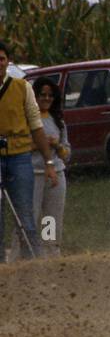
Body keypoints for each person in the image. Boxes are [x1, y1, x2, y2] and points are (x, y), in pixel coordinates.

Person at [0, 41, 59, 261]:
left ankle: (31, 261)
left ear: (8, 61)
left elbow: (36, 125)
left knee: (26, 214)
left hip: (19, 157)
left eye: (2, 58)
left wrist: (49, 161)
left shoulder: (21, 87)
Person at [30, 76, 70, 256]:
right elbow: (21, 146)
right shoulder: (28, 119)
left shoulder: (58, 121)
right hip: (33, 174)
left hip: (56, 174)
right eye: (42, 95)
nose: (46, 98)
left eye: (50, 95)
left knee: (51, 218)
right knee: (30, 216)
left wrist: (57, 146)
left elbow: (66, 153)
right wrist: (40, 143)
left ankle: (51, 254)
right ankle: (24, 255)